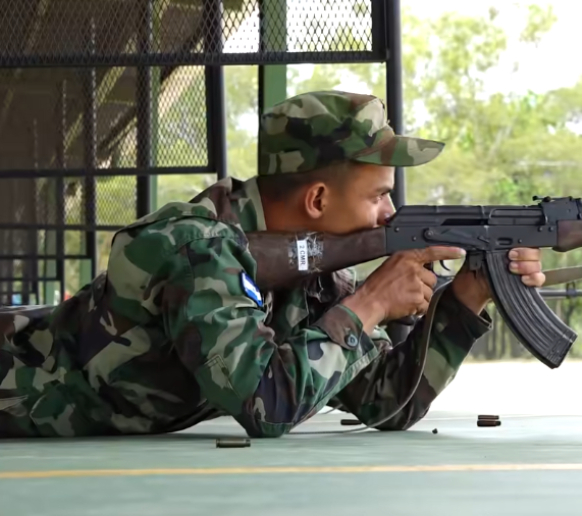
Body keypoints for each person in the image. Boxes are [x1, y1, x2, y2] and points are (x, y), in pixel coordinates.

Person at [0, 90, 545, 438]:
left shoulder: (312, 273)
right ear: (316, 201)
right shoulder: (196, 247)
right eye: (378, 195)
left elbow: (385, 401)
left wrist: (469, 295)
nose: (391, 212)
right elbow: (269, 403)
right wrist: (372, 302)